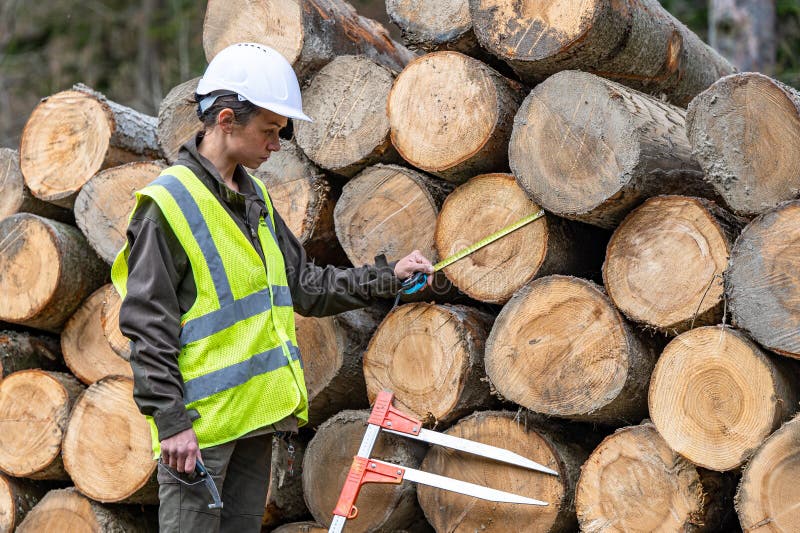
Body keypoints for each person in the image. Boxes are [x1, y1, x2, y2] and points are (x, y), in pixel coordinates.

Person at [111, 42, 433, 532]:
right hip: (199, 432)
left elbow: (303, 286)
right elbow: (146, 326)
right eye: (269, 130)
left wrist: (388, 277)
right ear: (225, 119)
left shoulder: (254, 196)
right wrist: (171, 423)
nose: (278, 144)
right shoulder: (167, 204)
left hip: (254, 419)